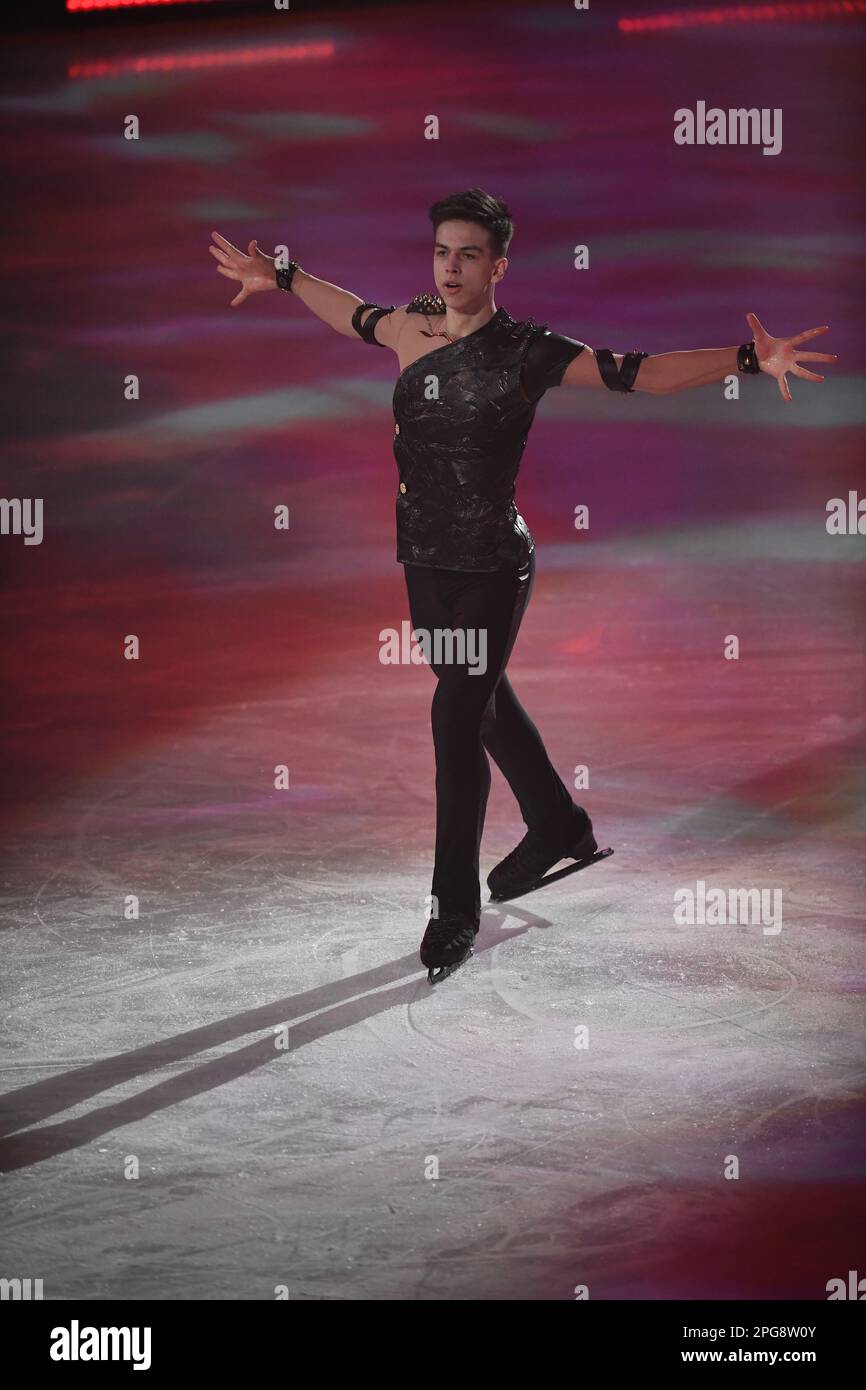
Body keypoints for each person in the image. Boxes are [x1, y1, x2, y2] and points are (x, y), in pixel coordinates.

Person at [209, 187, 836, 981]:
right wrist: (286, 275)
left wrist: (745, 358)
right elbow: (353, 312)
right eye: (442, 251)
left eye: (469, 253)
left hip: (493, 567)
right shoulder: (411, 326)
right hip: (423, 558)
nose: (451, 266)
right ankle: (557, 824)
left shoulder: (528, 351)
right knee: (482, 699)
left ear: (498, 264)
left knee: (456, 712)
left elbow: (635, 373)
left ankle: (454, 907)